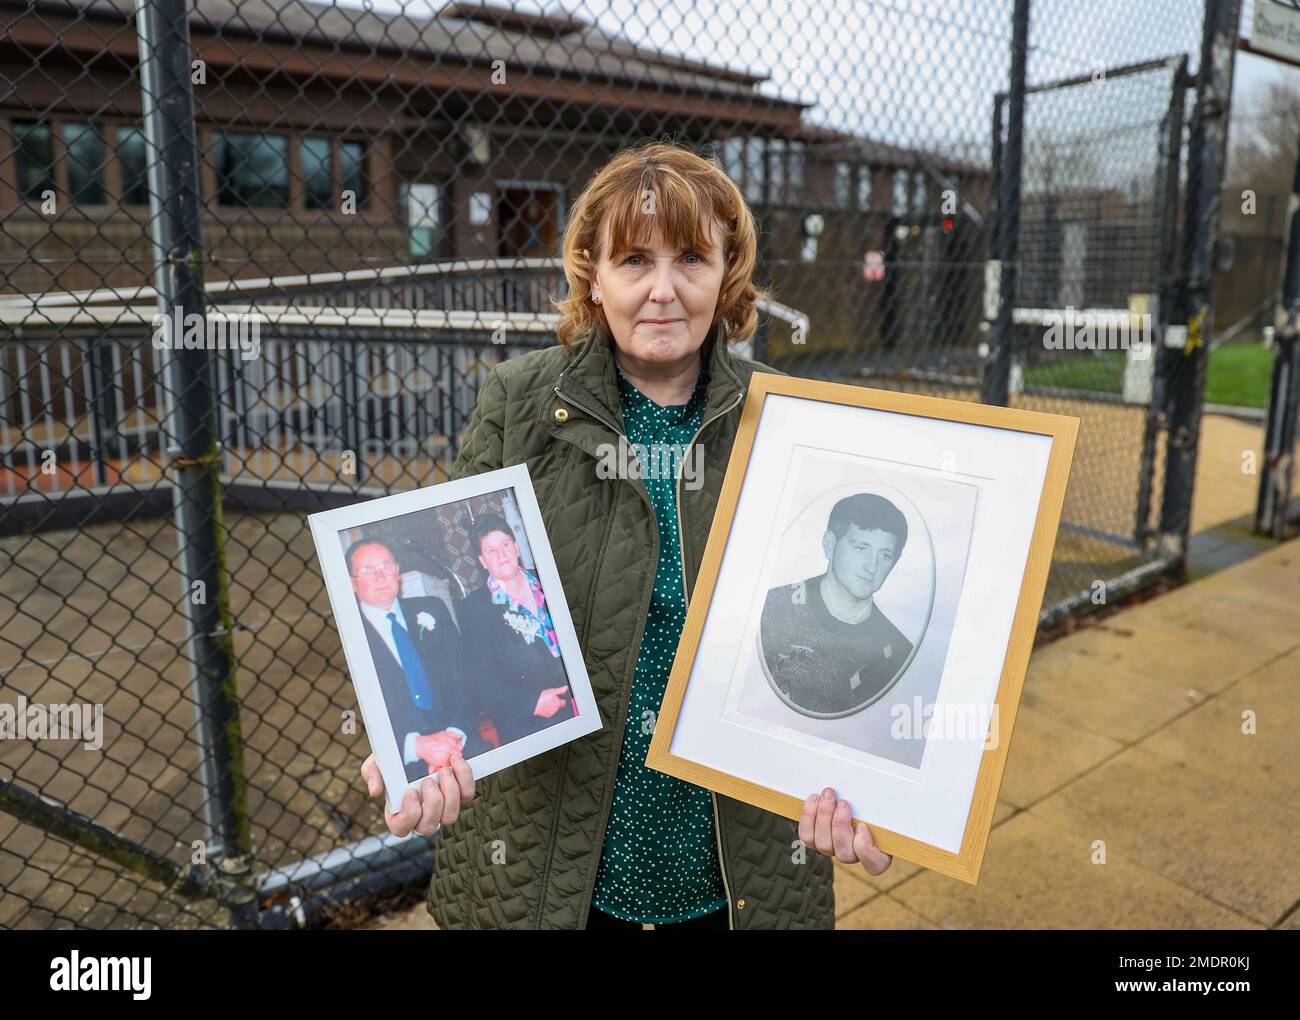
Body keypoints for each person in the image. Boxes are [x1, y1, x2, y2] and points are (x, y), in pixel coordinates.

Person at [359, 141, 892, 930]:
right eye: (635, 259)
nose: (664, 290)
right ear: (593, 273)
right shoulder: (518, 404)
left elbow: (826, 643)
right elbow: (435, 581)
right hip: (552, 861)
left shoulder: (791, 426)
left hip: (732, 857)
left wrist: (868, 781)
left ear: (728, 272)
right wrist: (401, 732)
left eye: (692, 259)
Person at [348, 540, 491, 783]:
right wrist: (416, 746)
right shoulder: (348, 637)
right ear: (352, 582)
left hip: (463, 743)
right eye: (367, 570)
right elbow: (347, 720)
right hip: (405, 766)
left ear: (397, 571)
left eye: (386, 565)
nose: (380, 575)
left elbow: (465, 677)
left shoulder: (432, 609)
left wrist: (454, 737)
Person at [760, 493, 915, 715]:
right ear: (830, 545)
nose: (872, 567)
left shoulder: (900, 655)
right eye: (861, 548)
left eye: (885, 555)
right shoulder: (770, 608)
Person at [456, 513, 573, 745]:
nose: (502, 555)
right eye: (491, 550)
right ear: (482, 561)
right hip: (530, 727)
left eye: (505, 544)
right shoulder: (474, 608)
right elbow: (479, 681)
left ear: (517, 548)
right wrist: (531, 704)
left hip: (581, 705)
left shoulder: (549, 580)